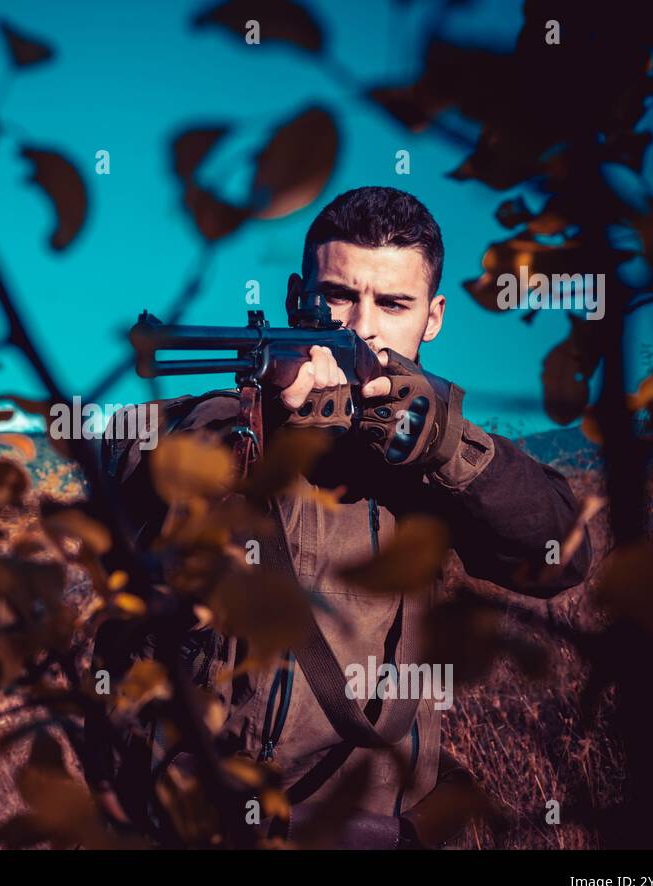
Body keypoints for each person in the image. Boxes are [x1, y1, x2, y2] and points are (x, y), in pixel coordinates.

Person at [94, 186, 592, 848]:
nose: (361, 326)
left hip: (373, 832)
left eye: (392, 303)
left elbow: (562, 551)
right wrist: (269, 418)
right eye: (337, 296)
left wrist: (445, 448)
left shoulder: (436, 457)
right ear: (299, 295)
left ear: (433, 317)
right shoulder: (226, 423)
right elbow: (124, 458)